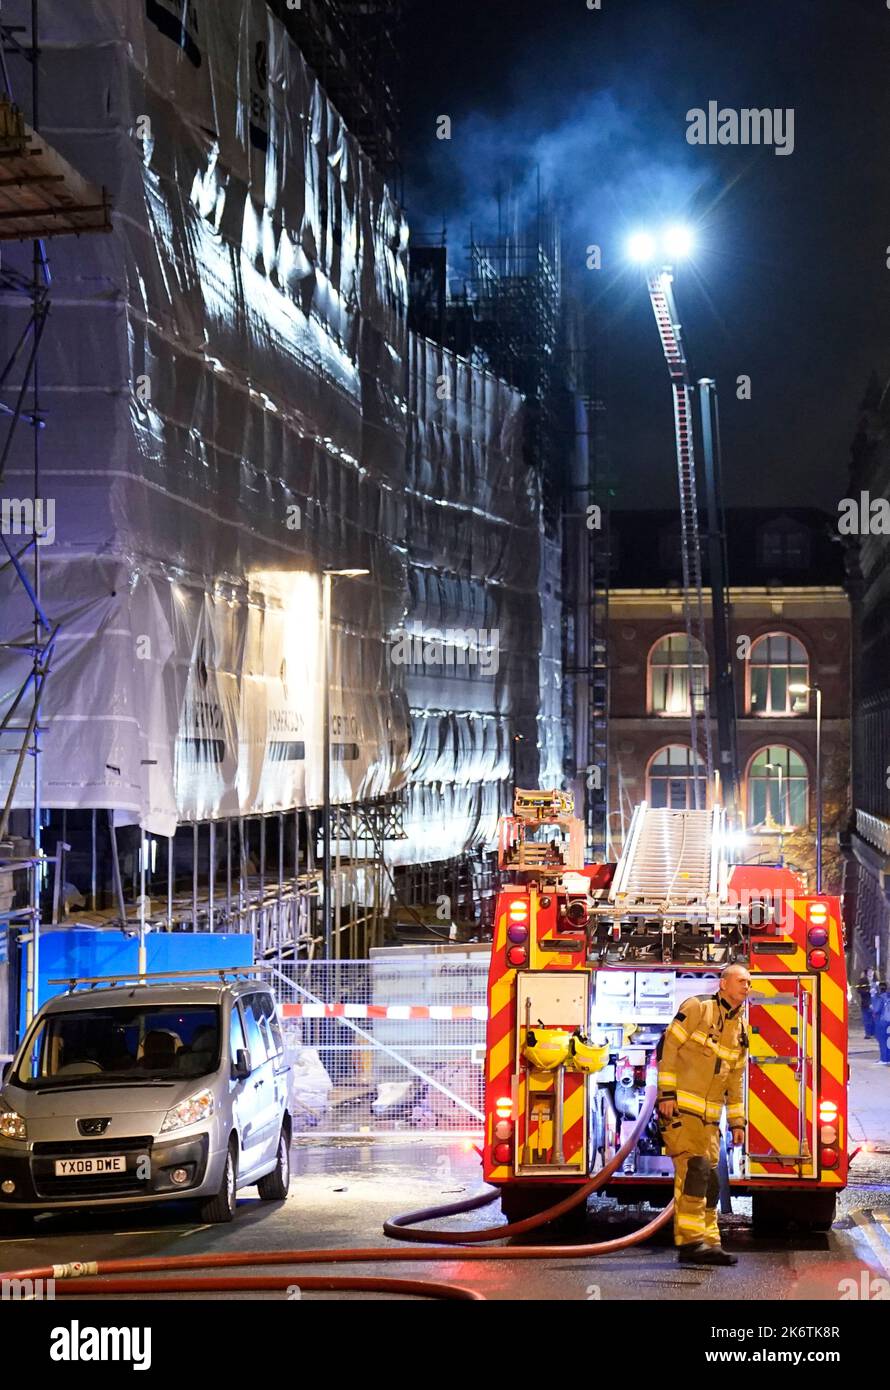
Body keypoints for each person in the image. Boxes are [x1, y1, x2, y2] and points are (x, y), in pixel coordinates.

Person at [657, 962, 751, 1266]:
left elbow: (734, 1080)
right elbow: (668, 1048)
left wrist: (737, 1122)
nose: (746, 987)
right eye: (741, 981)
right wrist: (666, 1094)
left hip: (711, 1120)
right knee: (694, 1171)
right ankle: (690, 1242)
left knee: (710, 1180)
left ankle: (709, 1242)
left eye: (749, 982)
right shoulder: (698, 1009)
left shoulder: (740, 1028)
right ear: (723, 984)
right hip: (683, 1111)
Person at [857, 972, 875, 1039]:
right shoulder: (863, 980)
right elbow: (859, 990)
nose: (871, 972)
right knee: (867, 1019)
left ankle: (873, 1033)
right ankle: (868, 1034)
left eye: (872, 971)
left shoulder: (876, 980)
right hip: (866, 1003)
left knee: (874, 1020)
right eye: (869, 971)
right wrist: (868, 990)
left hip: (875, 1003)